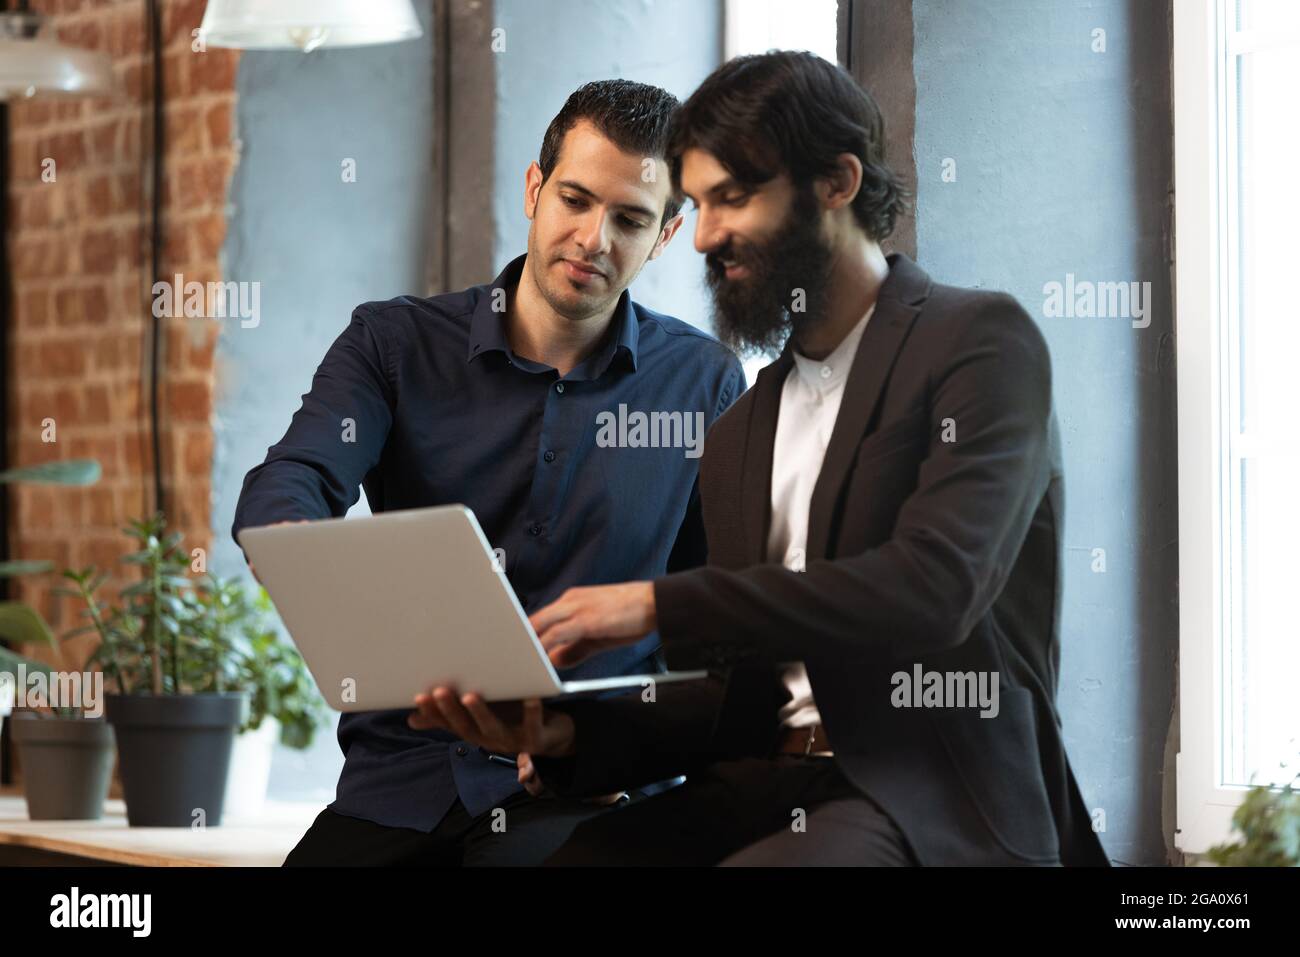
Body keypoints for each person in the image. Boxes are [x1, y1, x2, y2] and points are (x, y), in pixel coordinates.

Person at [412, 52, 1109, 867]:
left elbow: (934, 587)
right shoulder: (742, 425)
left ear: (837, 183)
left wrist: (656, 605)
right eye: (699, 204)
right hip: (765, 787)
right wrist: (564, 729)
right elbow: (739, 699)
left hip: (934, 795)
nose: (705, 234)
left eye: (733, 198)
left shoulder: (978, 344)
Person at [232, 79, 745, 866]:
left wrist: (638, 758)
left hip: (584, 802)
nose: (593, 238)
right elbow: (291, 481)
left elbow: (710, 617)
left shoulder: (703, 382)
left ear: (667, 235)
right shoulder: (393, 344)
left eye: (630, 219)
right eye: (574, 198)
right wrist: (302, 550)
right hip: (402, 786)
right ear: (535, 188)